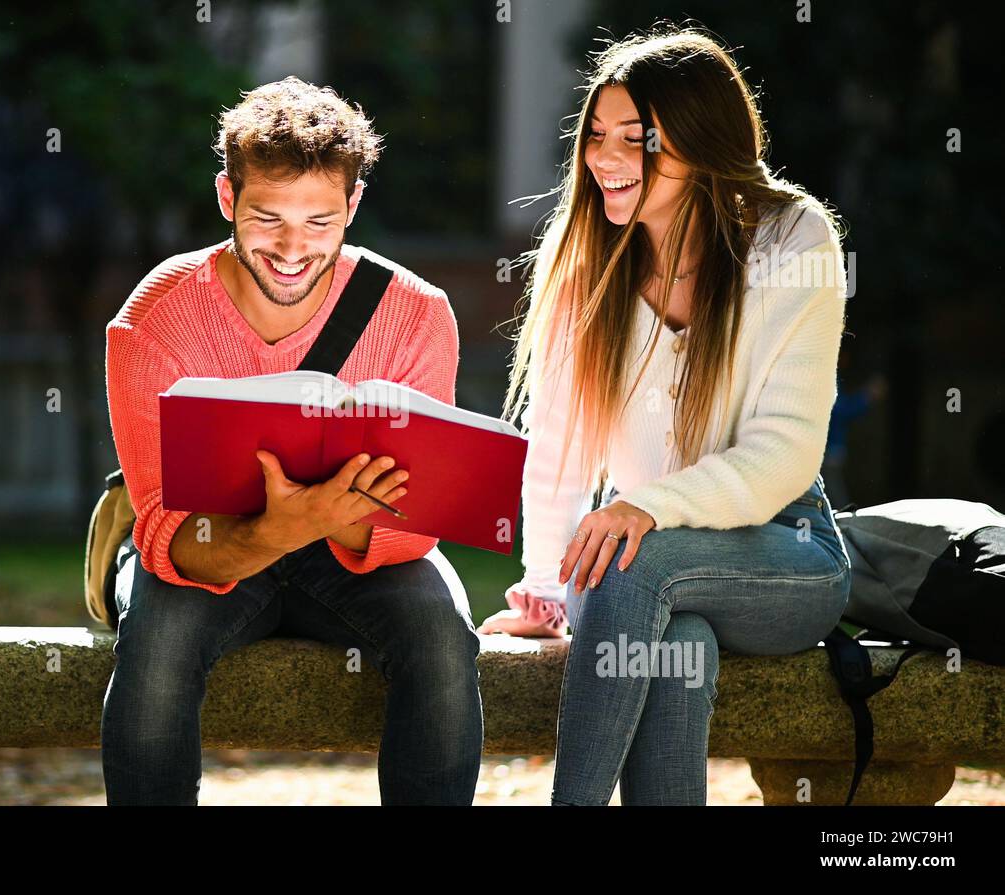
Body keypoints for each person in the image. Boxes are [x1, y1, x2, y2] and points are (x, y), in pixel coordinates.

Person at [479, 27, 853, 805]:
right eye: (596, 135)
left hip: (784, 551)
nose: (605, 159)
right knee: (673, 642)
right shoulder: (587, 260)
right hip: (628, 568)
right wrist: (545, 587)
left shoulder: (793, 239)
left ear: (702, 139)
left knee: (635, 559)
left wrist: (646, 507)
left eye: (636, 140)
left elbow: (783, 454)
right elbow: (557, 449)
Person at [101, 76, 482, 805]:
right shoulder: (154, 319)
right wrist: (272, 531)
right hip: (216, 545)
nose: (291, 249)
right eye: (268, 217)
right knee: (156, 647)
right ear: (227, 200)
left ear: (354, 207)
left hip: (352, 551)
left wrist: (329, 520)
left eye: (319, 222)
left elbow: (420, 523)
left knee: (440, 632)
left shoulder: (414, 314)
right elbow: (161, 530)